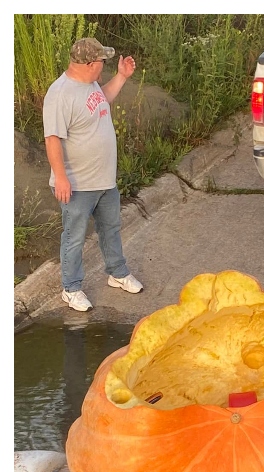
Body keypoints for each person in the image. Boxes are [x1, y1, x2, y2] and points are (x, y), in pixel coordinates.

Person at [44, 37, 144, 312]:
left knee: (110, 228)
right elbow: (52, 139)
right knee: (74, 237)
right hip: (78, 184)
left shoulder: (90, 84)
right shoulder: (60, 94)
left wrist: (122, 76)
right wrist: (60, 177)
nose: (104, 66)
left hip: (104, 180)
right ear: (89, 64)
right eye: (102, 61)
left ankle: (117, 273)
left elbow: (102, 99)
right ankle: (71, 288)